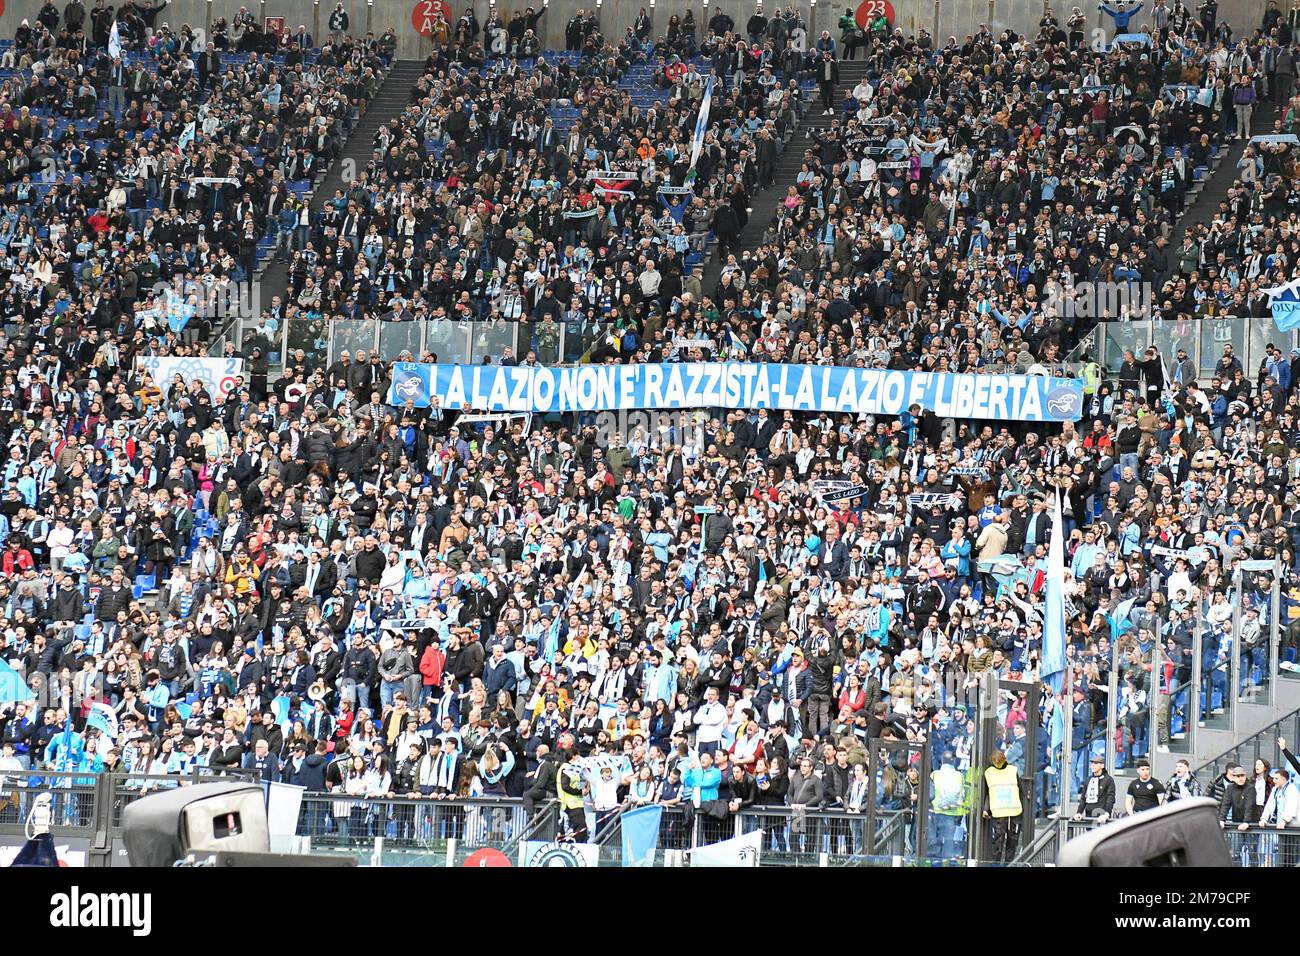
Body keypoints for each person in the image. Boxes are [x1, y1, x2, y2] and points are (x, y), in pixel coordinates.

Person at [981, 748, 1023, 863]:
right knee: (999, 842)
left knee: (1011, 842)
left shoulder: (1012, 770)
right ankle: (997, 864)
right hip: (1001, 812)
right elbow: (988, 791)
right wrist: (986, 809)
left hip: (1012, 812)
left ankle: (1007, 864)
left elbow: (1020, 791)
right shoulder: (989, 772)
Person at [1074, 755, 1115, 822]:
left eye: (1096, 763)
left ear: (1102, 766)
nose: (1093, 765)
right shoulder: (1088, 780)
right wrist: (1079, 812)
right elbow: (1083, 799)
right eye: (1092, 763)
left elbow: (1110, 798)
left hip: (1102, 817)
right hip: (1089, 816)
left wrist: (1107, 814)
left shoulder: (1108, 780)